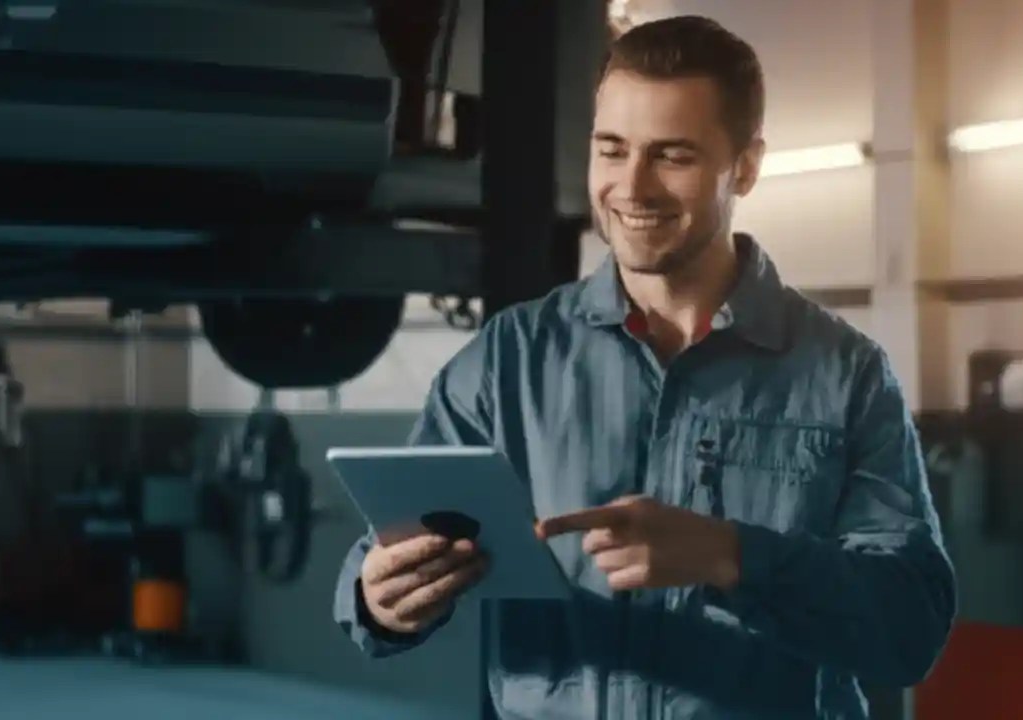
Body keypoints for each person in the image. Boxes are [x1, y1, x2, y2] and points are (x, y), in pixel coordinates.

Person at [334, 14, 956, 719]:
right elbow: (384, 557)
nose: (633, 187)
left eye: (673, 155)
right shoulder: (508, 361)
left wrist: (732, 556)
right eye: (612, 150)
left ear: (744, 168)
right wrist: (379, 595)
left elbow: (910, 624)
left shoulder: (844, 375)